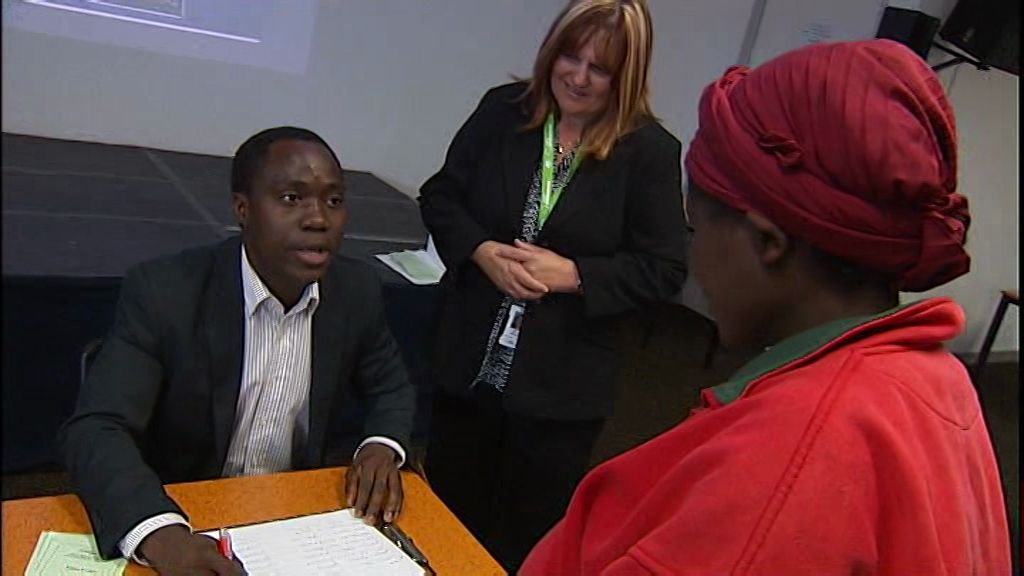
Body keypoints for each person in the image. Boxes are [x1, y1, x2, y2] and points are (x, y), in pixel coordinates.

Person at [520, 39, 1013, 575]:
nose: (697, 263)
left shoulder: (784, 471)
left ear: (767, 241)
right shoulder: (934, 377)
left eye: (699, 227)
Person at [59, 127, 417, 575]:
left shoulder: (355, 291)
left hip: (294, 523)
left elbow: (392, 386)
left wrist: (381, 446)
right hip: (183, 512)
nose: (318, 219)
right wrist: (160, 535)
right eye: (291, 198)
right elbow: (97, 427)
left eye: (334, 200)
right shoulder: (165, 292)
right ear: (243, 209)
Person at [418, 0, 688, 570]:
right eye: (571, 56)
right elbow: (440, 196)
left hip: (558, 393)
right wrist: (480, 251)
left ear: (627, 77)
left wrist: (576, 275)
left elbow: (665, 269)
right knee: (439, 522)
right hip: (468, 367)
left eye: (601, 68)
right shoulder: (503, 112)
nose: (579, 76)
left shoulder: (650, 154)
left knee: (521, 541)